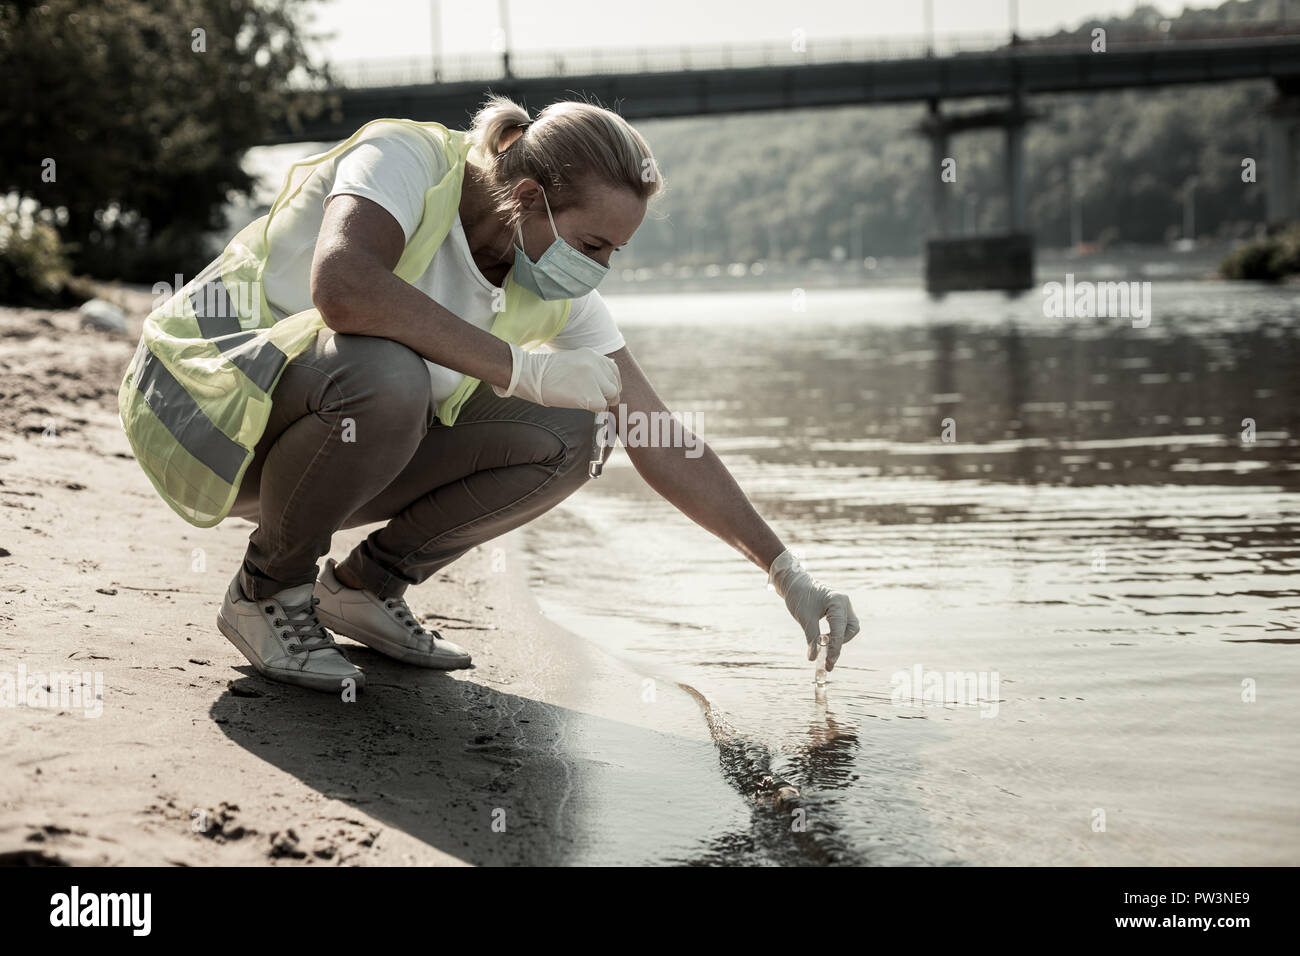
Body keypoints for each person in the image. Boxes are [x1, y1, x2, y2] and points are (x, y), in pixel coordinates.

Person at [130, 95, 860, 692]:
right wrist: (523, 368)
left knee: (579, 432)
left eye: (614, 251)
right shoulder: (405, 158)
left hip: (318, 443)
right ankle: (266, 591)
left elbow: (654, 429)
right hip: (200, 404)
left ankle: (364, 588)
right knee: (388, 374)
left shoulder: (547, 276)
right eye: (594, 245)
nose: (600, 269)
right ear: (528, 197)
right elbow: (345, 287)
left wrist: (782, 568)